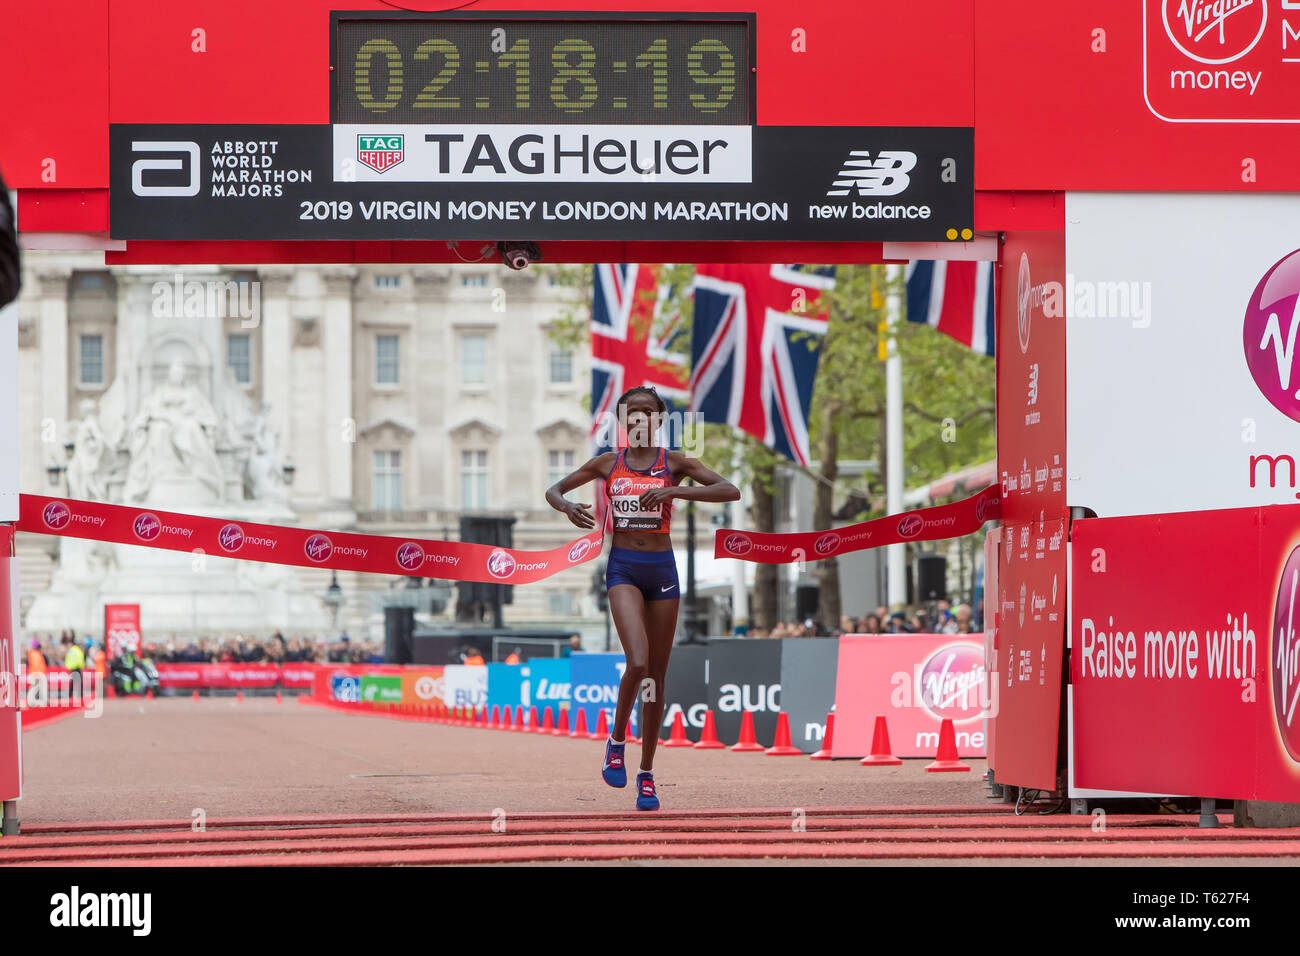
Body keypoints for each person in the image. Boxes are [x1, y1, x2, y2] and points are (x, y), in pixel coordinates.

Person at [547, 386, 739, 811]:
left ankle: (647, 774)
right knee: (637, 661)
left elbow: (730, 491)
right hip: (624, 570)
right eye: (631, 413)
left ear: (658, 419)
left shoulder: (675, 463)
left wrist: (675, 492)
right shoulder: (607, 463)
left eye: (647, 413)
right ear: (623, 421)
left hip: (663, 572)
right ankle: (616, 742)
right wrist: (566, 507)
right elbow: (554, 490)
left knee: (655, 677)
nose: (639, 419)